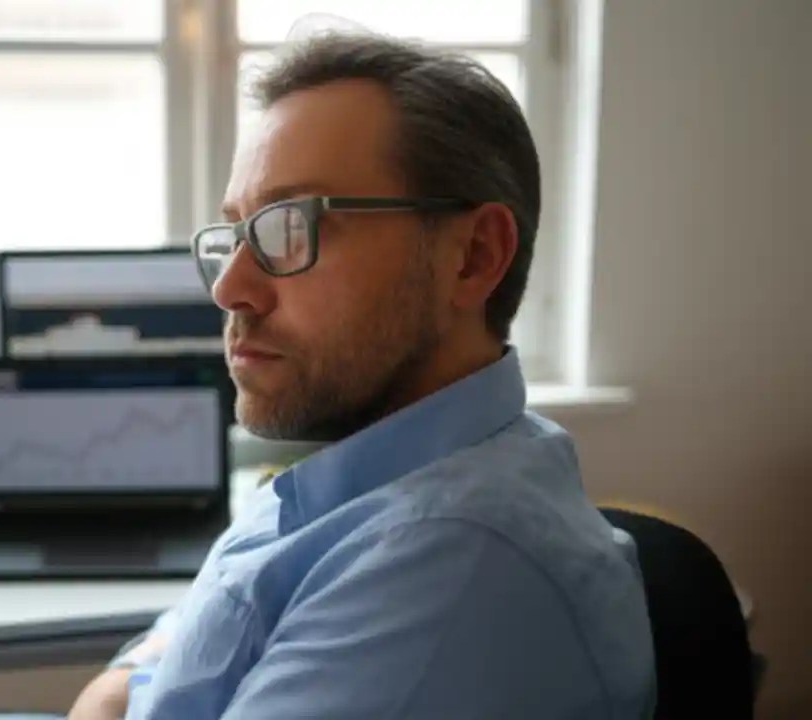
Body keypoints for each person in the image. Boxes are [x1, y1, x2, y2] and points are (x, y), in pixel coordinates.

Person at [64, 30, 656, 719]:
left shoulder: (451, 565)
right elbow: (191, 639)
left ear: (472, 257)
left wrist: (107, 699)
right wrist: (124, 685)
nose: (230, 289)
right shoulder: (362, 470)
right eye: (236, 235)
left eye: (291, 228)